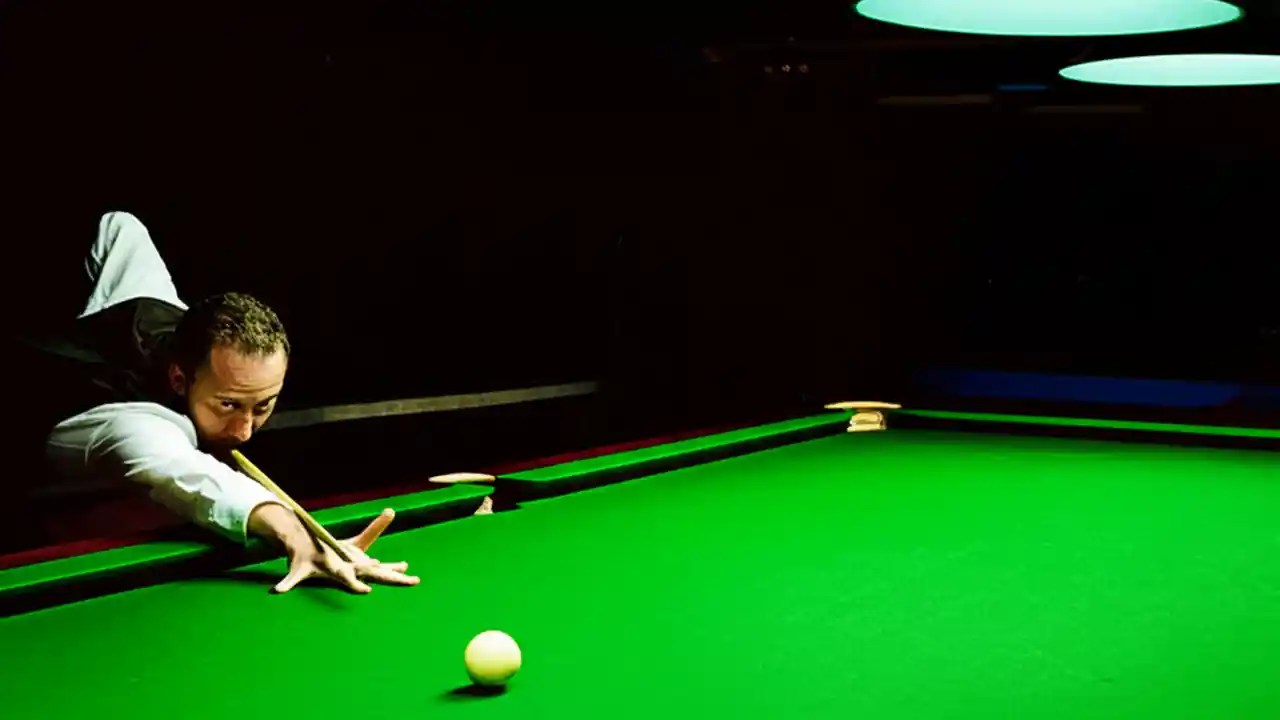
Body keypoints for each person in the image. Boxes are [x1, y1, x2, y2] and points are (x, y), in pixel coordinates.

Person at [32, 210, 419, 594]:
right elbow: (190, 473)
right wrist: (296, 536)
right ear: (179, 379)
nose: (245, 431)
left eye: (264, 405)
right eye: (230, 405)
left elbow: (119, 227)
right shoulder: (132, 423)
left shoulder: (160, 311)